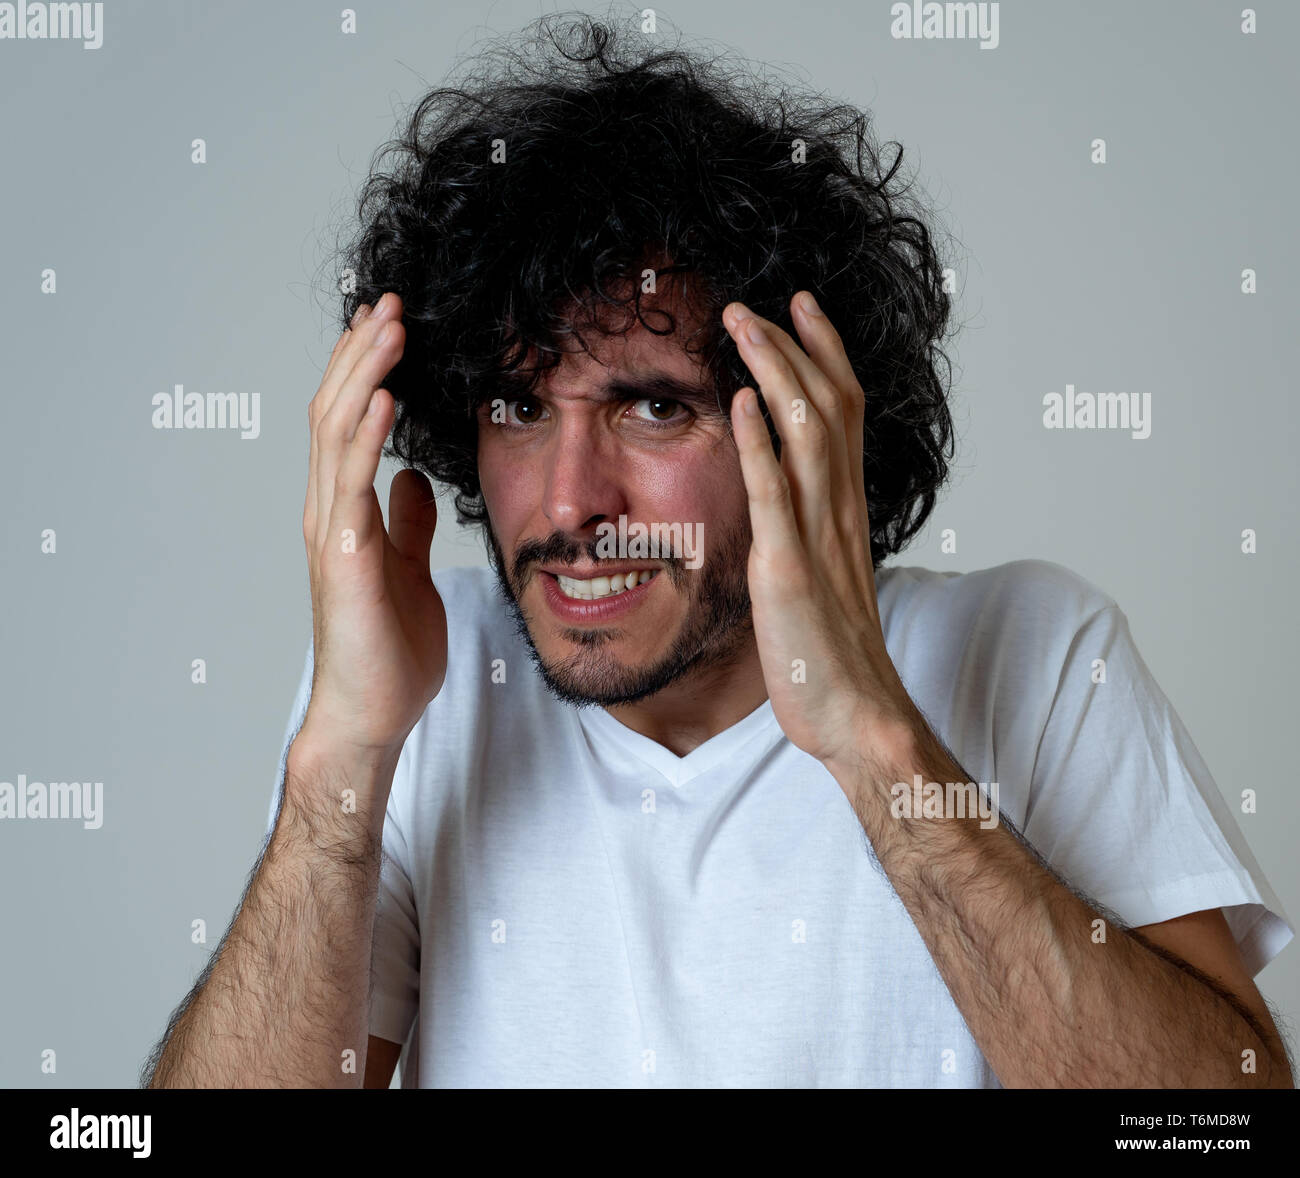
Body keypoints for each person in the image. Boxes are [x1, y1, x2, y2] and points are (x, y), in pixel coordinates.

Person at [143, 14, 1293, 1088]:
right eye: (519, 409)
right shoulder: (419, 692)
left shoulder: (1032, 651)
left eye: (651, 408)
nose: (568, 499)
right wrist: (341, 756)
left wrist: (871, 736)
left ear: (807, 419)